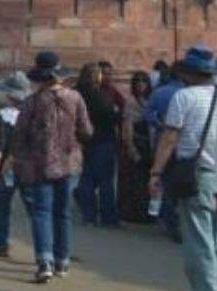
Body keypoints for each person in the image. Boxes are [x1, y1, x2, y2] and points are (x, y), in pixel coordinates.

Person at [150, 45, 217, 291]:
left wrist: (156, 172)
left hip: (198, 175)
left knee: (199, 243)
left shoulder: (183, 97)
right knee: (214, 241)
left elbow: (170, 138)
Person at [14, 51, 93, 283]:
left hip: (39, 163)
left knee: (41, 212)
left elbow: (19, 135)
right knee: (62, 212)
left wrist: (18, 160)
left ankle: (44, 260)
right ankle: (62, 261)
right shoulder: (75, 98)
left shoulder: (32, 101)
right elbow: (87, 130)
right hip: (69, 162)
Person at [0, 71, 31, 258]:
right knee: (36, 210)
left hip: (8, 168)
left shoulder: (5, 115)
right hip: (30, 167)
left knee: (2, 207)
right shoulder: (34, 113)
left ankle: (2, 244)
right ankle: (46, 249)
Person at [74, 62, 120, 227]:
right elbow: (111, 113)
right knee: (105, 181)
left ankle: (89, 216)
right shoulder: (98, 94)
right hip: (102, 139)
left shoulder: (77, 92)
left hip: (83, 140)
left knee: (87, 178)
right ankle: (108, 217)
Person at [147, 61, 187, 243]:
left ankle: (169, 219)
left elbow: (149, 115)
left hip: (162, 141)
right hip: (184, 144)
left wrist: (159, 123)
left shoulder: (159, 92)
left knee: (165, 183)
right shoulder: (186, 94)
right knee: (183, 185)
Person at [119, 71, 154, 223]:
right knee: (136, 180)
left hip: (149, 143)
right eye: (138, 82)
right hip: (137, 142)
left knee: (146, 179)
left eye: (144, 81)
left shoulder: (150, 100)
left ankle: (146, 211)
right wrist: (131, 147)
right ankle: (136, 212)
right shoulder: (131, 101)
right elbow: (127, 127)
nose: (141, 84)